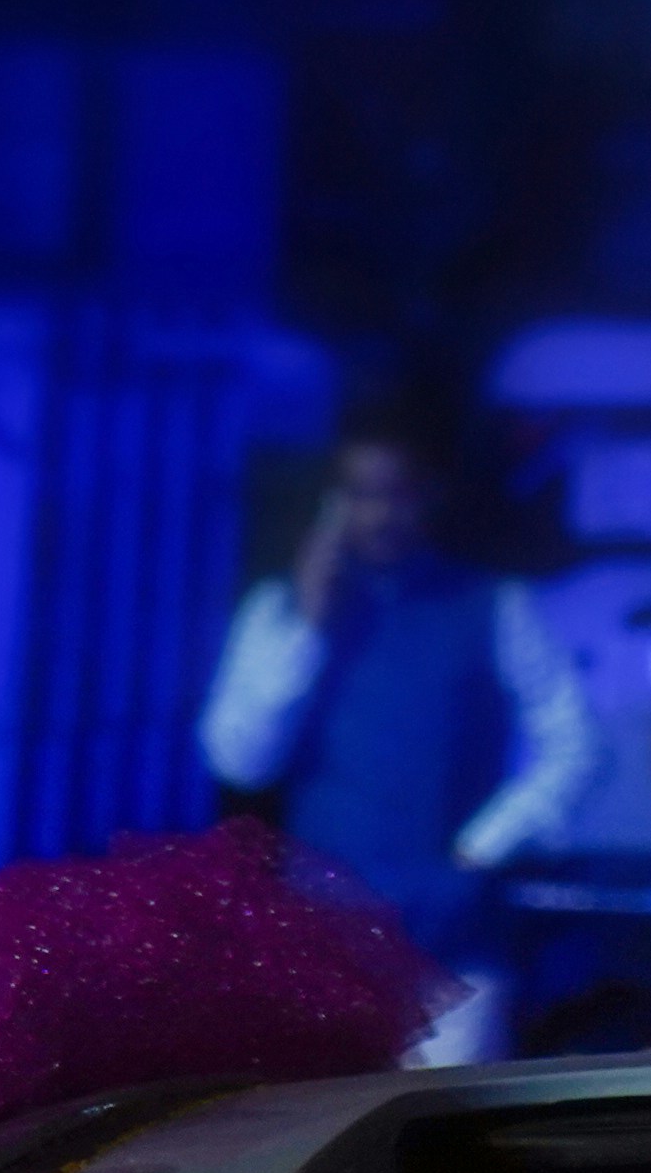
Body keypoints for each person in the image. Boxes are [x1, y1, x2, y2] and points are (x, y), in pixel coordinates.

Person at [201, 428, 594, 1065]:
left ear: (427, 498)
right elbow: (240, 759)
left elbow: (576, 746)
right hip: (325, 938)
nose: (380, 515)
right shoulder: (282, 611)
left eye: (396, 495)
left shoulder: (493, 606)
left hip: (453, 949)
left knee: (449, 1135)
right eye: (360, 496)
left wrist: (479, 851)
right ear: (333, 504)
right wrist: (306, 627)